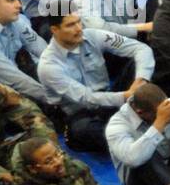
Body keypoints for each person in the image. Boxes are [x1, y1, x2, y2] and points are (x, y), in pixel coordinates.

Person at [37, 10, 154, 152]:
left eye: (79, 21)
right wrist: (126, 96)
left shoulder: (92, 35)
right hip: (81, 112)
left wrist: (140, 81)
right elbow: (87, 98)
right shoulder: (49, 66)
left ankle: (133, 126)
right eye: (70, 25)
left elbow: (140, 49)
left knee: (141, 65)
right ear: (55, 30)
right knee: (83, 130)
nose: (79, 28)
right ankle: (138, 133)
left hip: (110, 96)